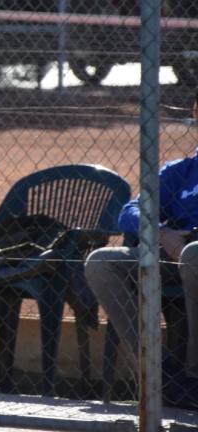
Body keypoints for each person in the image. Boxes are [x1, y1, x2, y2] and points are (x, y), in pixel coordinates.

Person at [85, 89, 198, 380]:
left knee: (194, 254)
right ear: (196, 113)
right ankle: (159, 374)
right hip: (170, 254)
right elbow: (130, 212)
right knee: (101, 262)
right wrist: (162, 233)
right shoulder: (180, 171)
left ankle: (195, 375)